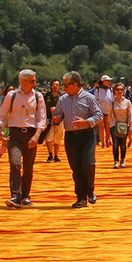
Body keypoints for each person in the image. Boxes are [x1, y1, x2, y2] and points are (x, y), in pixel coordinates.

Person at [0, 69, 47, 209]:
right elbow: (0, 116)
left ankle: (26, 196)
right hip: (15, 135)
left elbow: (42, 119)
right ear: (22, 81)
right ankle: (16, 196)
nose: (35, 83)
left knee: (28, 167)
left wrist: (36, 135)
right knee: (15, 164)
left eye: (35, 81)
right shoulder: (12, 95)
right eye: (32, 81)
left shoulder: (38, 96)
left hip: (31, 134)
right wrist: (1, 131)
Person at [54, 71, 103, 207]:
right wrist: (57, 119)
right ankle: (81, 198)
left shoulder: (89, 98)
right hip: (71, 137)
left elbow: (99, 116)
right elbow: (58, 115)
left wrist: (86, 122)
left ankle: (90, 190)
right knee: (76, 168)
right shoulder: (62, 100)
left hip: (87, 135)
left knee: (88, 163)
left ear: (75, 84)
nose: (64, 88)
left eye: (66, 85)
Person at [108, 82, 132, 168]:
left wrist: (131, 126)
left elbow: (130, 115)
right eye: (117, 89)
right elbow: (109, 115)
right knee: (115, 144)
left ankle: (122, 159)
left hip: (124, 125)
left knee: (123, 144)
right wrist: (107, 129)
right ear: (114, 91)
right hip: (114, 125)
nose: (119, 91)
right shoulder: (111, 102)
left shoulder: (127, 102)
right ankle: (116, 161)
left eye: (121, 89)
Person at [41, 79, 63, 162]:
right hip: (48, 119)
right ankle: (50, 154)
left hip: (59, 120)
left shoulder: (62, 97)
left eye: (57, 85)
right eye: (53, 84)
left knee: (58, 137)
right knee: (49, 137)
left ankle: (56, 155)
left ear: (59, 86)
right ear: (51, 86)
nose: (55, 86)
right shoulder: (46, 96)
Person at [93, 75, 115, 147]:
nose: (109, 82)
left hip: (108, 110)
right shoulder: (98, 90)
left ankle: (107, 140)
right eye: (107, 81)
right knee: (101, 127)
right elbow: (95, 100)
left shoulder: (110, 90)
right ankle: (103, 143)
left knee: (108, 127)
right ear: (103, 81)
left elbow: (112, 100)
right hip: (100, 110)